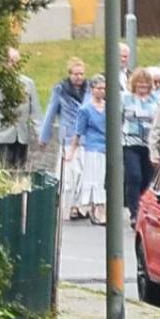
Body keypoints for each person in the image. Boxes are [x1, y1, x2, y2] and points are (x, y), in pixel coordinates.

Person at [40, 57, 90, 218]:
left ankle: (79, 206)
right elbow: (51, 112)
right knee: (69, 174)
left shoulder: (90, 89)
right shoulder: (60, 89)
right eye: (75, 74)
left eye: (81, 74)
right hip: (68, 137)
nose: (79, 77)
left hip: (86, 138)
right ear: (69, 74)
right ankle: (66, 206)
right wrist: (44, 137)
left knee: (84, 175)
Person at [0, 48, 41, 170]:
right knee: (6, 169)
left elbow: (35, 111)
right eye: (10, 61)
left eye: (16, 62)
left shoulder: (28, 84)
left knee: (20, 169)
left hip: (22, 135)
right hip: (3, 135)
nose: (13, 65)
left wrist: (40, 134)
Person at [66, 75, 108, 225]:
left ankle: (98, 208)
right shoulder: (85, 109)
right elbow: (79, 132)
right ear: (92, 90)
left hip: (106, 148)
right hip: (93, 148)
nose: (101, 91)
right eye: (98, 88)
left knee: (103, 179)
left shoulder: (108, 107)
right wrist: (71, 150)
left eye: (104, 89)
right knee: (94, 178)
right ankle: (97, 208)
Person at [122, 69, 159, 223]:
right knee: (134, 176)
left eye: (145, 86)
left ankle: (145, 210)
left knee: (147, 179)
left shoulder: (156, 100)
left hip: (149, 144)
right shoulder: (125, 99)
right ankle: (134, 212)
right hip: (130, 143)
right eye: (139, 86)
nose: (142, 89)